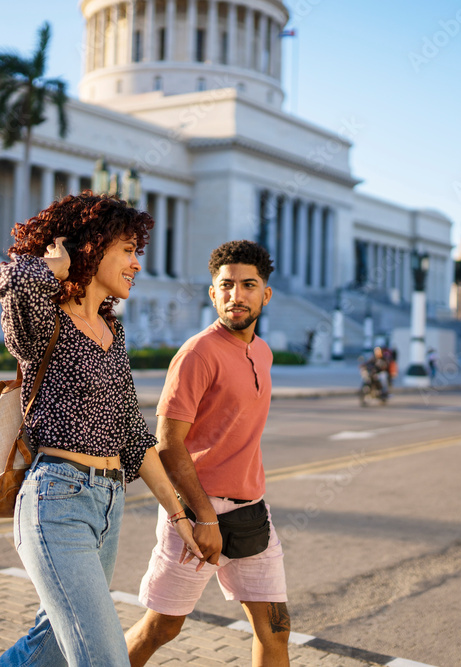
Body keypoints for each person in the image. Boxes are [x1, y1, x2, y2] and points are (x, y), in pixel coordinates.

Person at [0, 193, 202, 667]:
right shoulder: (45, 322)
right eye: (127, 250)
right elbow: (13, 279)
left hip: (107, 504)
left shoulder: (111, 331)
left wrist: (179, 516)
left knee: (48, 647)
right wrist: (58, 263)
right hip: (56, 499)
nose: (136, 264)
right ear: (92, 247)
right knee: (105, 658)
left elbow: (132, 429)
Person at [126, 240, 290, 667]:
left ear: (265, 294)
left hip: (252, 509)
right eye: (227, 285)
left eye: (248, 285)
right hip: (199, 510)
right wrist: (204, 516)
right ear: (213, 293)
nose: (237, 295)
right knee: (162, 627)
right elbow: (167, 444)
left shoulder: (263, 352)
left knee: (275, 628)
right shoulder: (198, 353)